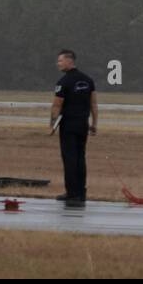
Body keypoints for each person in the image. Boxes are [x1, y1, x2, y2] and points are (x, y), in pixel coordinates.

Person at [51, 50, 96, 208]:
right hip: (82, 124)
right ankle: (81, 192)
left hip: (68, 125)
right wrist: (94, 123)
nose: (58, 63)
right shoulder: (88, 80)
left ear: (70, 61)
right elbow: (93, 104)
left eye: (60, 61)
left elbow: (57, 105)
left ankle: (72, 193)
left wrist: (52, 124)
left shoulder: (63, 82)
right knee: (80, 158)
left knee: (69, 159)